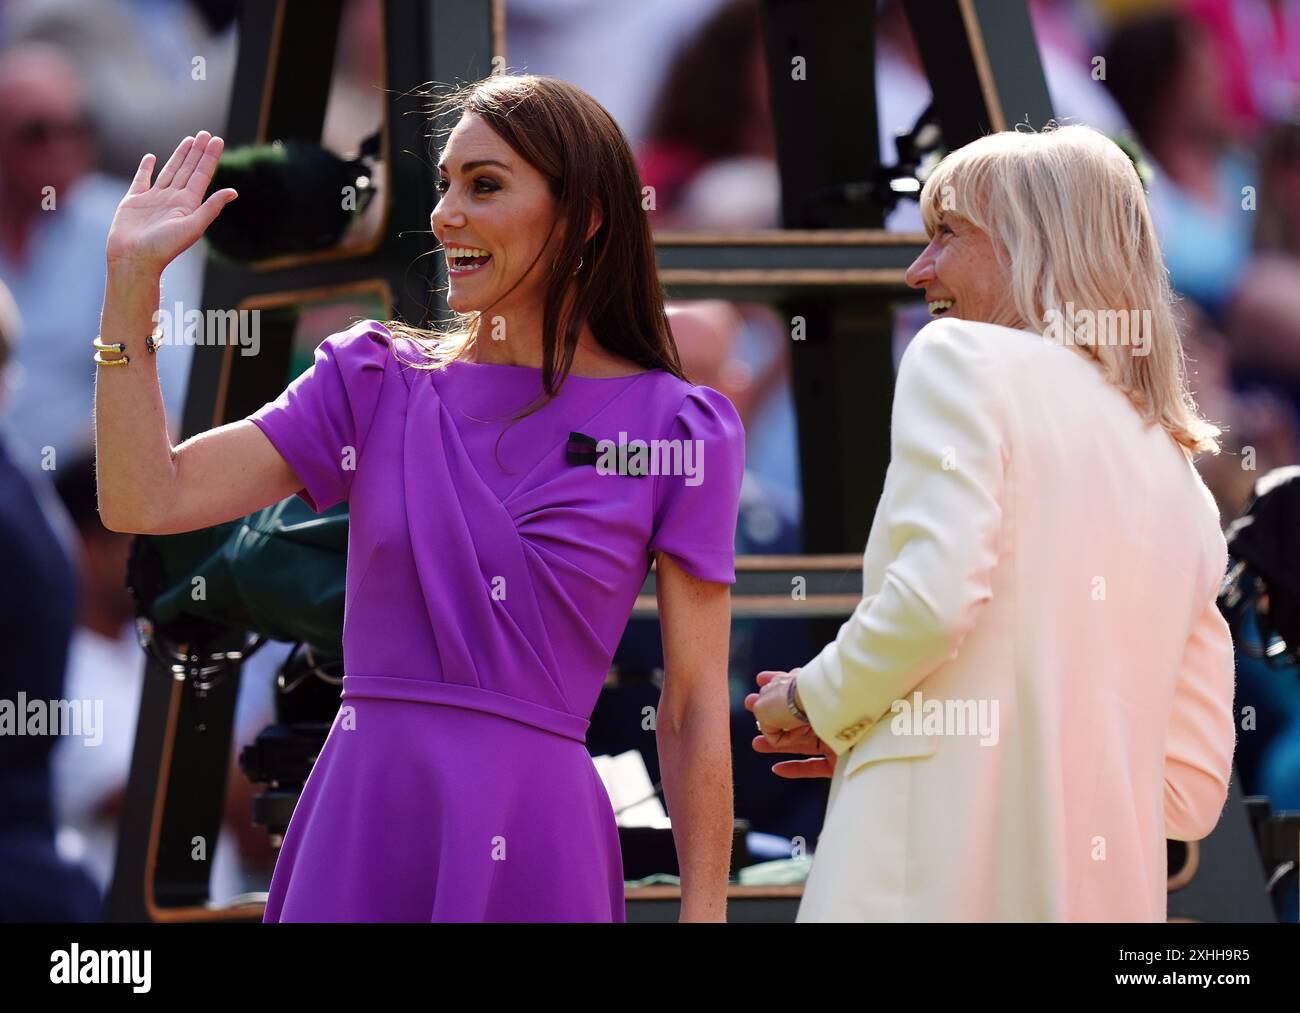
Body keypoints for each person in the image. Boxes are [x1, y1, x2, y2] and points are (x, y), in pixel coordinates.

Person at [93, 74, 745, 922]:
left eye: (484, 185)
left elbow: (693, 708)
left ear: (584, 216)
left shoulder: (682, 429)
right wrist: (130, 287)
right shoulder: (371, 379)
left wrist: (705, 912)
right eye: (444, 183)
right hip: (365, 820)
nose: (444, 214)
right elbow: (146, 496)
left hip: (537, 839)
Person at [747, 124, 1237, 922]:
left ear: (1033, 245)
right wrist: (883, 722)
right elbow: (1189, 789)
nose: (918, 270)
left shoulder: (960, 358)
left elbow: (932, 603)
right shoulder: (1180, 477)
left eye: (945, 234)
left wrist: (819, 700)